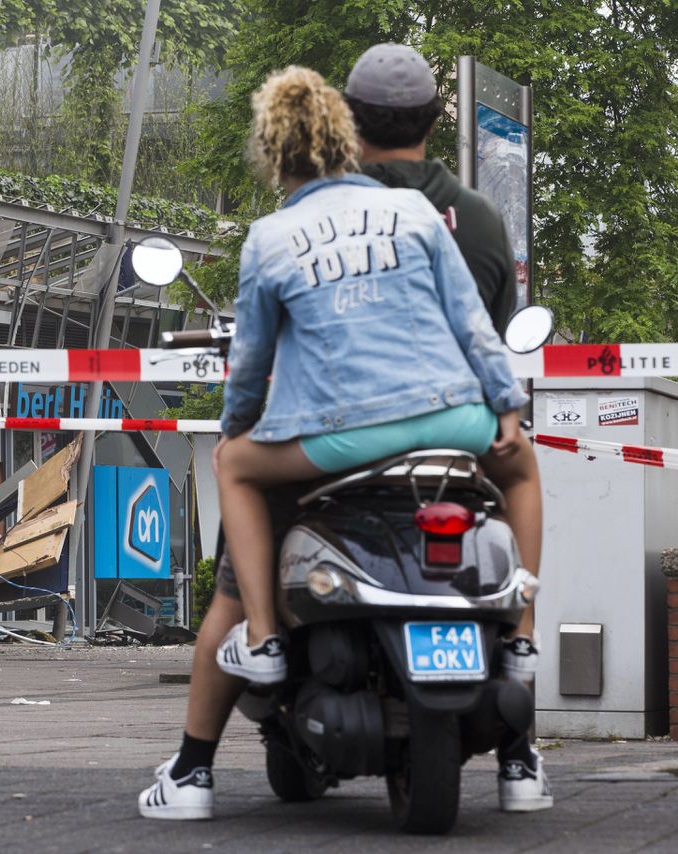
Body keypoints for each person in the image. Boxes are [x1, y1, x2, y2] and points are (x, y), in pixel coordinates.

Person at [138, 65, 550, 821]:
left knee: (235, 464)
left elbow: (252, 367)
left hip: (340, 443)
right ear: (345, 139)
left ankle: (257, 651)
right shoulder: (418, 215)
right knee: (521, 472)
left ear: (274, 154)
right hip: (452, 423)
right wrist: (505, 412)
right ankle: (520, 635)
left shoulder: (269, 238)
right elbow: (474, 329)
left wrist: (240, 428)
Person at [347, 43, 516, 334]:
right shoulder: (482, 220)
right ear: (432, 123)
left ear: (349, 120)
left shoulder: (319, 217)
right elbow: (495, 331)